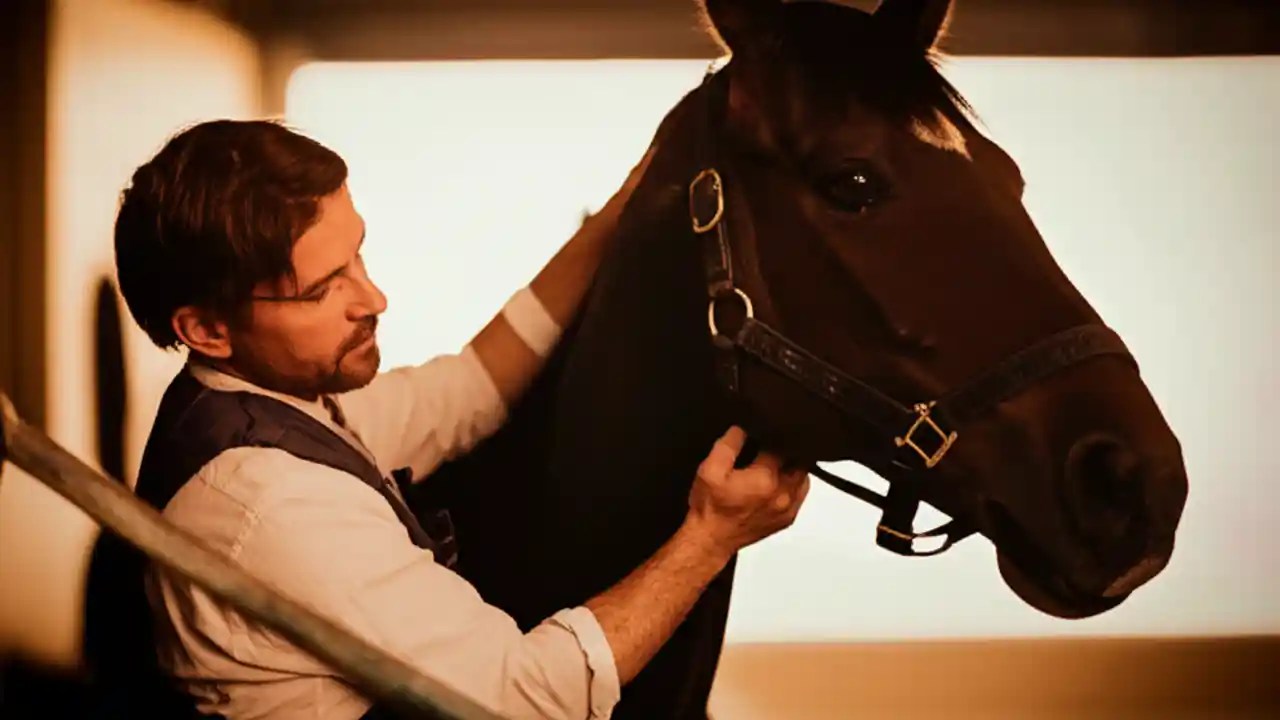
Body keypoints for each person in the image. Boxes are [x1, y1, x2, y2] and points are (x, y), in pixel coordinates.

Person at [108, 119, 810, 720]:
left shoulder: (261, 402)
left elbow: (469, 388)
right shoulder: (270, 498)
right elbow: (522, 700)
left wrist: (613, 219)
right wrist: (710, 538)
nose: (373, 298)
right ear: (206, 329)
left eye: (358, 256)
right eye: (324, 289)